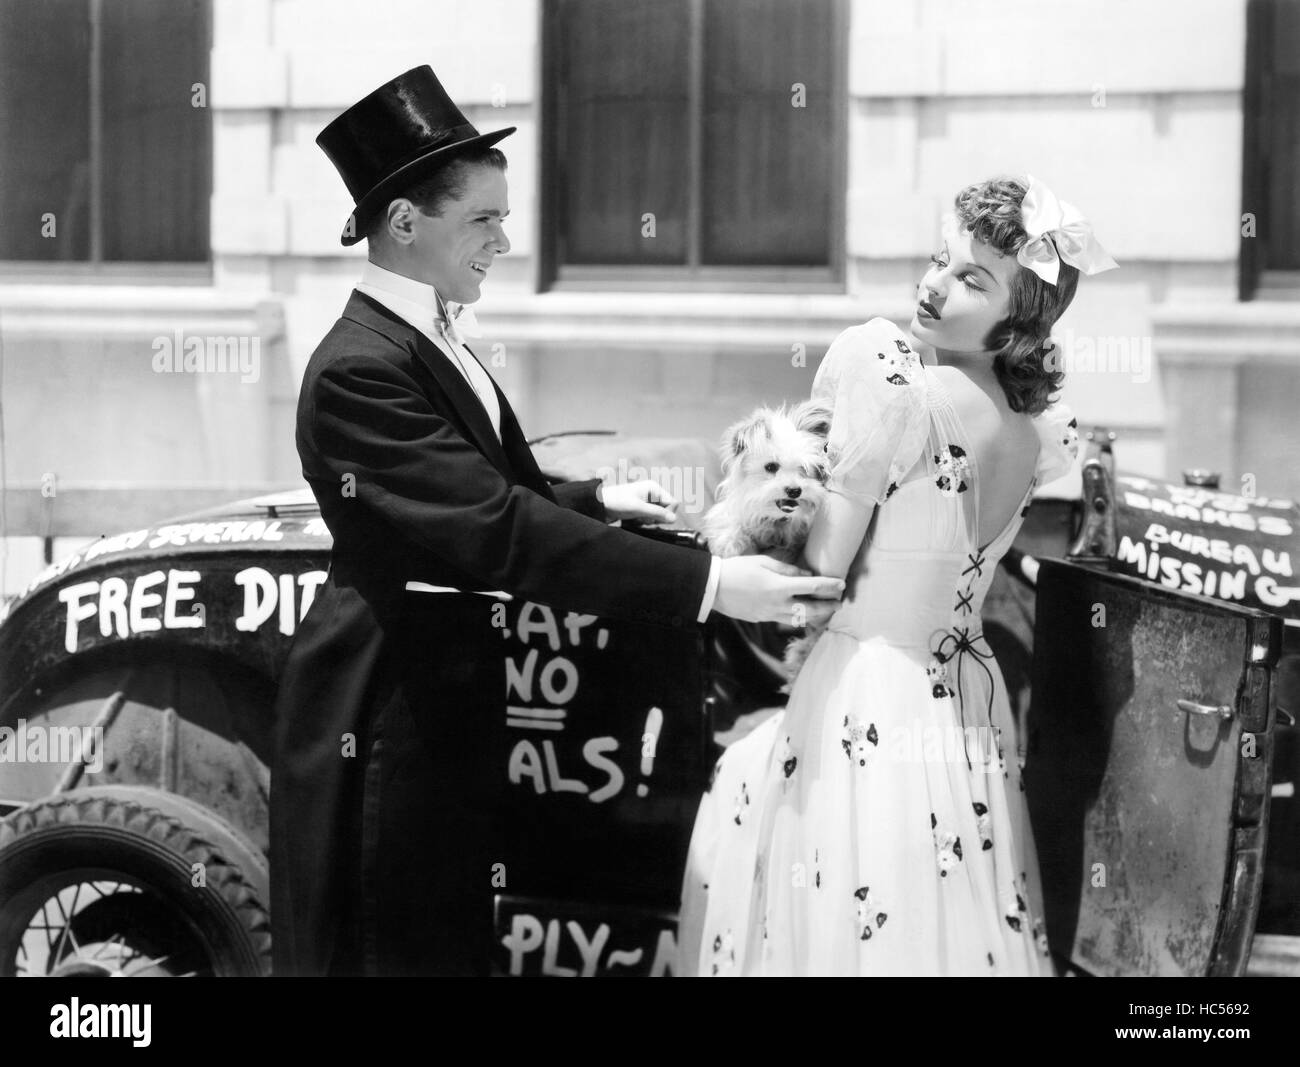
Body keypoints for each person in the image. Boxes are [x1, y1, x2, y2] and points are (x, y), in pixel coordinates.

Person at [269, 65, 845, 977]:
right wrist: (711, 584)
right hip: (383, 710)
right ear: (407, 223)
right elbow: (492, 530)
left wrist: (592, 498)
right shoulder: (359, 369)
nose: (504, 238)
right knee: (390, 945)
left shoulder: (429, 334)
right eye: (484, 220)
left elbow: (477, 485)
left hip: (442, 704)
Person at [677, 175, 1117, 976]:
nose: (936, 285)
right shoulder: (1031, 430)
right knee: (940, 912)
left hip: (868, 687)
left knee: (833, 899)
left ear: (1018, 318)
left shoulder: (898, 385)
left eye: (971, 280)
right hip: (964, 698)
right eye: (940, 261)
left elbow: (822, 567)